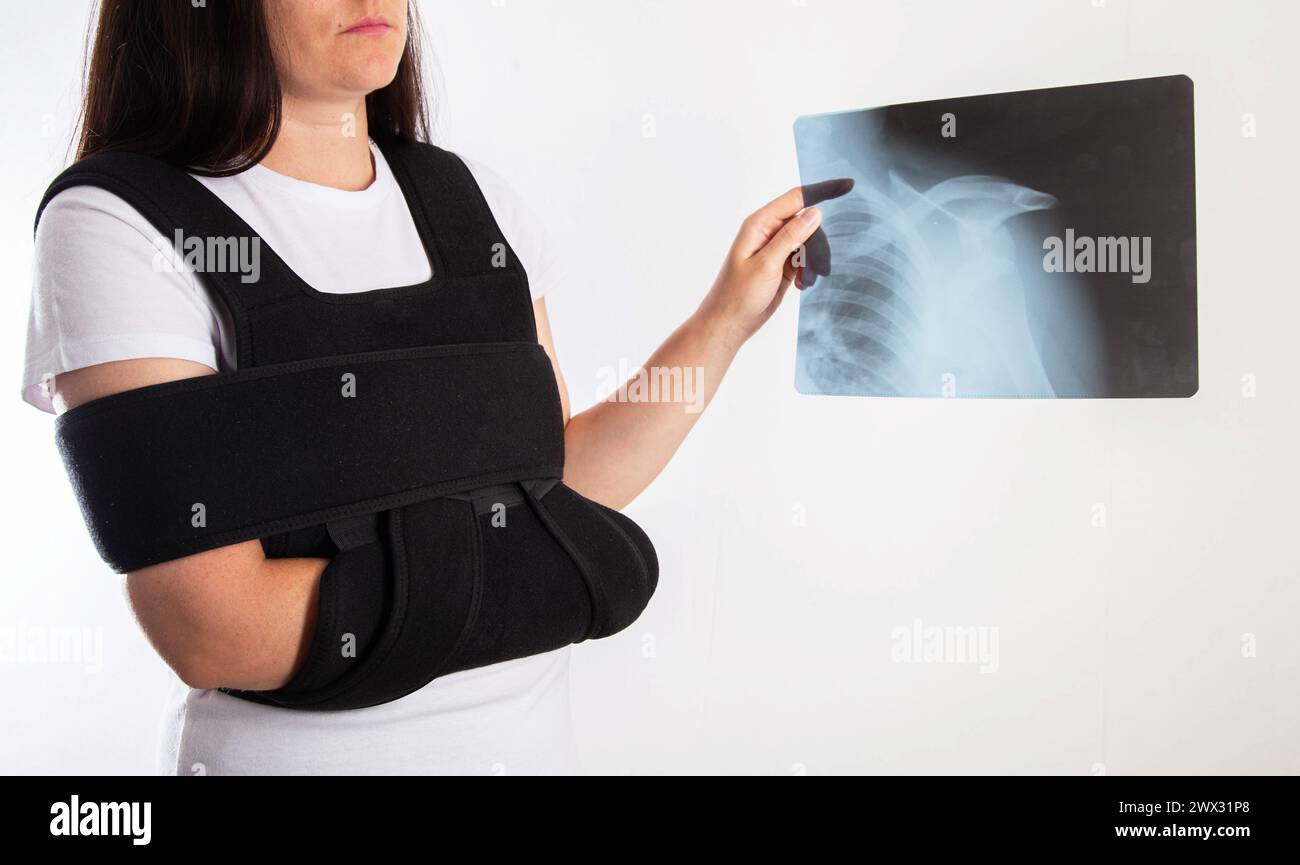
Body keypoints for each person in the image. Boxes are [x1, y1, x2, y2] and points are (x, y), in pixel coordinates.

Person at [21, 0, 827, 775]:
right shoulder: (120, 221)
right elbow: (215, 627)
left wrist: (725, 319)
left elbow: (555, 480)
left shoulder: (469, 202)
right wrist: (576, 571)